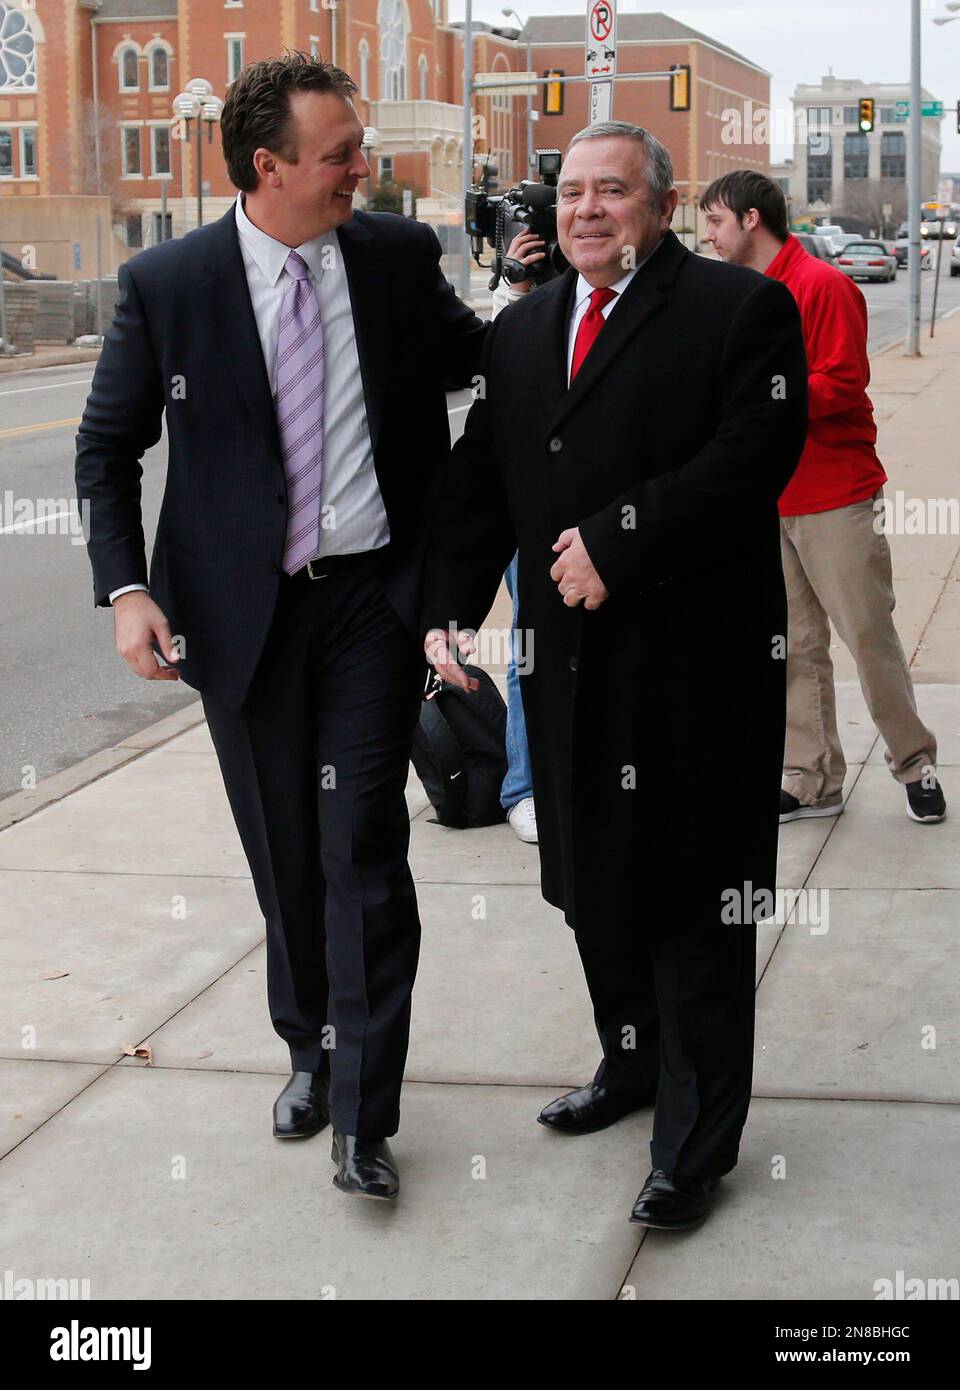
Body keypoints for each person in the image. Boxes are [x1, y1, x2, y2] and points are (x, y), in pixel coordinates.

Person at [75, 53, 488, 1202]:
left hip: (369, 601)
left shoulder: (398, 259)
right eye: (343, 152)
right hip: (239, 616)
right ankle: (305, 1042)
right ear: (271, 165)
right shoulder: (173, 282)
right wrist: (128, 590)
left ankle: (365, 1107)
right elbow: (108, 449)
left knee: (362, 840)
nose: (366, 165)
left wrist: (596, 295)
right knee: (284, 852)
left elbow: (490, 361)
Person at [421, 121, 808, 1230]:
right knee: (595, 883)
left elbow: (753, 455)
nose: (584, 210)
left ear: (664, 204)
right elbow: (480, 482)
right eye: (571, 191)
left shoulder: (739, 310)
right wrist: (449, 610)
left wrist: (619, 536)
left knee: (693, 903)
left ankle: (696, 1143)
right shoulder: (526, 328)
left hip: (696, 668)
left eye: (613, 192)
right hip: (569, 669)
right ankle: (630, 1066)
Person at [701, 170, 946, 825]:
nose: (709, 235)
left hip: (833, 492)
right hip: (765, 498)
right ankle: (811, 778)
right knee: (792, 643)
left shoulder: (821, 285)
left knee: (868, 635)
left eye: (716, 221)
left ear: (752, 219)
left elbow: (843, 380)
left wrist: (756, 406)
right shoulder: (737, 294)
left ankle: (915, 764)